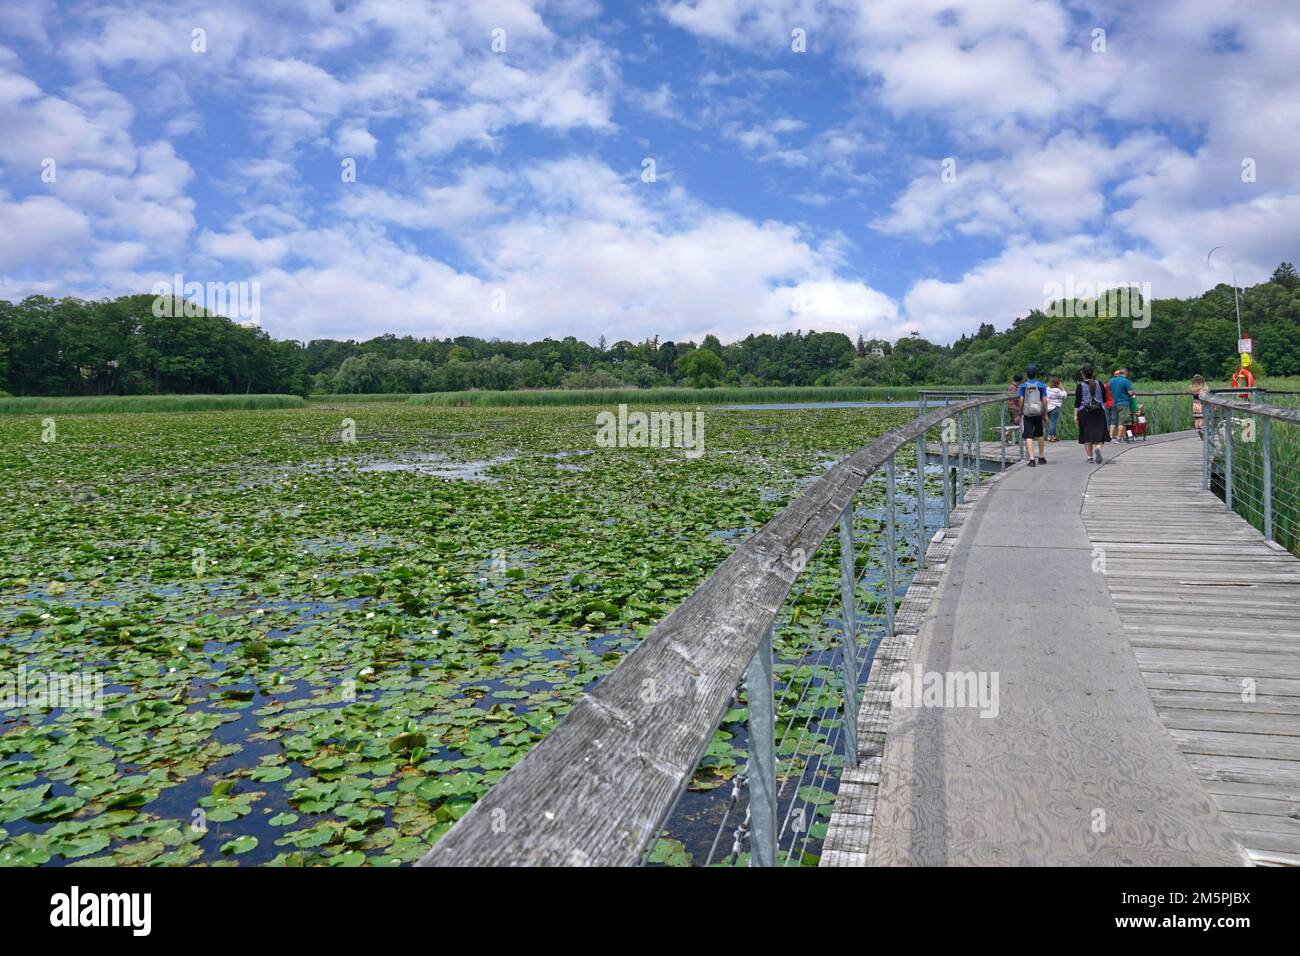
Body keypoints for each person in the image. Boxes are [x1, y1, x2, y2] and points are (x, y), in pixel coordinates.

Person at [1074, 364, 1109, 463]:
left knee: (1086, 434)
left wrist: (1075, 415)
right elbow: (1104, 399)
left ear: (1083, 374)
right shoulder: (1100, 383)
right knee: (1099, 434)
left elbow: (1077, 402)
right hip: (1099, 411)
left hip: (1085, 412)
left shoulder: (1080, 386)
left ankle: (1090, 457)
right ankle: (1098, 448)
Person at [1020, 364, 1048, 466]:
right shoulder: (1041, 385)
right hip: (1038, 412)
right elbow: (1044, 400)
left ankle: (1032, 459)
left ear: (1026, 374)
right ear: (1035, 374)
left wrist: (1021, 411)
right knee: (1040, 434)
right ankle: (1041, 457)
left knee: (1029, 435)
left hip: (1027, 413)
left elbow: (1021, 399)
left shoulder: (1022, 386)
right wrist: (1045, 414)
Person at [1108, 368, 1134, 442]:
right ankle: (1119, 438)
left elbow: (1110, 392)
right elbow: (1130, 393)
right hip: (1124, 403)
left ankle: (1110, 436)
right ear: (1126, 373)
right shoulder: (1126, 381)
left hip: (1114, 403)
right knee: (1122, 421)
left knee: (1113, 421)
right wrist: (1133, 393)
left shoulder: (1112, 380)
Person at [1046, 377, 1067, 442]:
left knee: (1052, 422)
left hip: (1048, 408)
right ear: (1057, 384)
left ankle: (1053, 437)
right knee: (1053, 422)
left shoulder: (1047, 388)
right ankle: (1050, 436)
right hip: (1055, 408)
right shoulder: (1057, 391)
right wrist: (1062, 387)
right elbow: (1064, 396)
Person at [1191, 373, 1206, 440]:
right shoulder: (1203, 387)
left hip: (1195, 405)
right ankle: (1202, 430)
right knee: (1202, 418)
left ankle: (1198, 429)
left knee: (1196, 419)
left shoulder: (1192, 387)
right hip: (1200, 404)